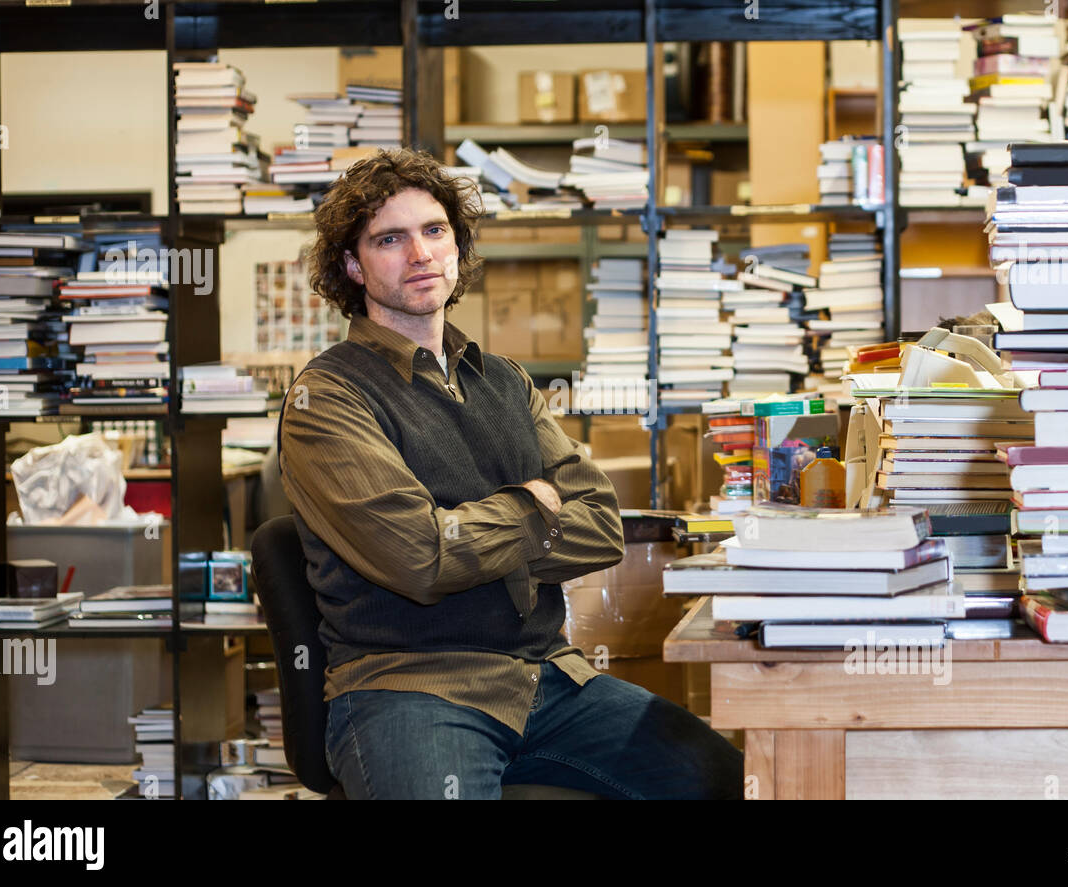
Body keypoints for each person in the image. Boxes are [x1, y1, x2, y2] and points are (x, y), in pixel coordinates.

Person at [278, 147, 743, 800]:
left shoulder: (503, 381)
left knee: (723, 777)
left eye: (434, 231)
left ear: (456, 246)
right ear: (353, 265)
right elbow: (420, 557)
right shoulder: (328, 398)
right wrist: (532, 508)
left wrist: (473, 531)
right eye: (390, 239)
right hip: (410, 687)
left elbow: (604, 528)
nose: (420, 254)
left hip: (546, 678)